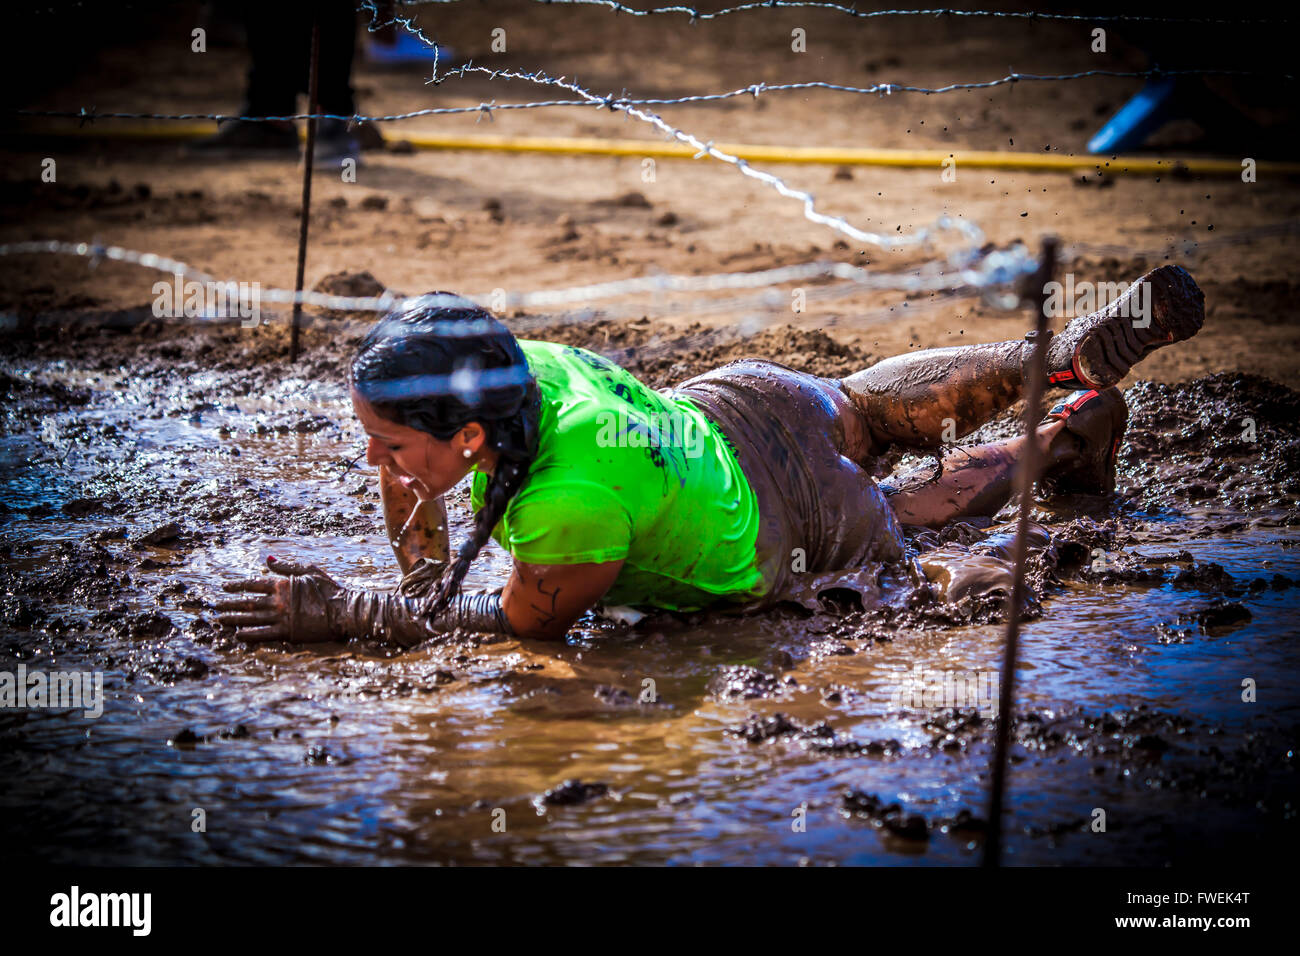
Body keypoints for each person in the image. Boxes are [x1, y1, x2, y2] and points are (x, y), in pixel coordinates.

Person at [215, 264, 1205, 645]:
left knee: (907, 514)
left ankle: (1064, 435)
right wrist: (419, 544)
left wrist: (353, 608)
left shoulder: (567, 509)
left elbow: (520, 623)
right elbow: (421, 481)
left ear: (469, 436)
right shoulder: (525, 367)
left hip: (792, 523)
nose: (381, 469)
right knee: (868, 404)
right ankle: (1045, 358)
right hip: (749, 403)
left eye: (391, 448)